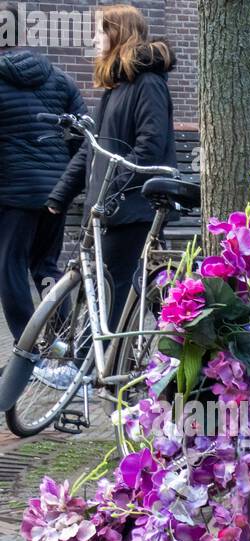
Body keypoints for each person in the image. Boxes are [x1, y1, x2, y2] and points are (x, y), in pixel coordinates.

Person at [46, 4, 176, 337]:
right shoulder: (115, 88)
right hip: (110, 206)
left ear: (118, 33)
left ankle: (93, 366)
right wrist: (60, 195)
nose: (95, 39)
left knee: (115, 288)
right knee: (123, 287)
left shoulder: (148, 83)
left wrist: (114, 189)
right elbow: (93, 148)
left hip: (132, 208)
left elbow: (149, 145)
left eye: (100, 31)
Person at [0, 45, 85, 343]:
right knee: (46, 266)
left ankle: (27, 348)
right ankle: (59, 340)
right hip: (55, 192)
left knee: (9, 268)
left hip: (13, 194)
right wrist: (67, 182)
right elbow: (82, 136)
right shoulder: (60, 79)